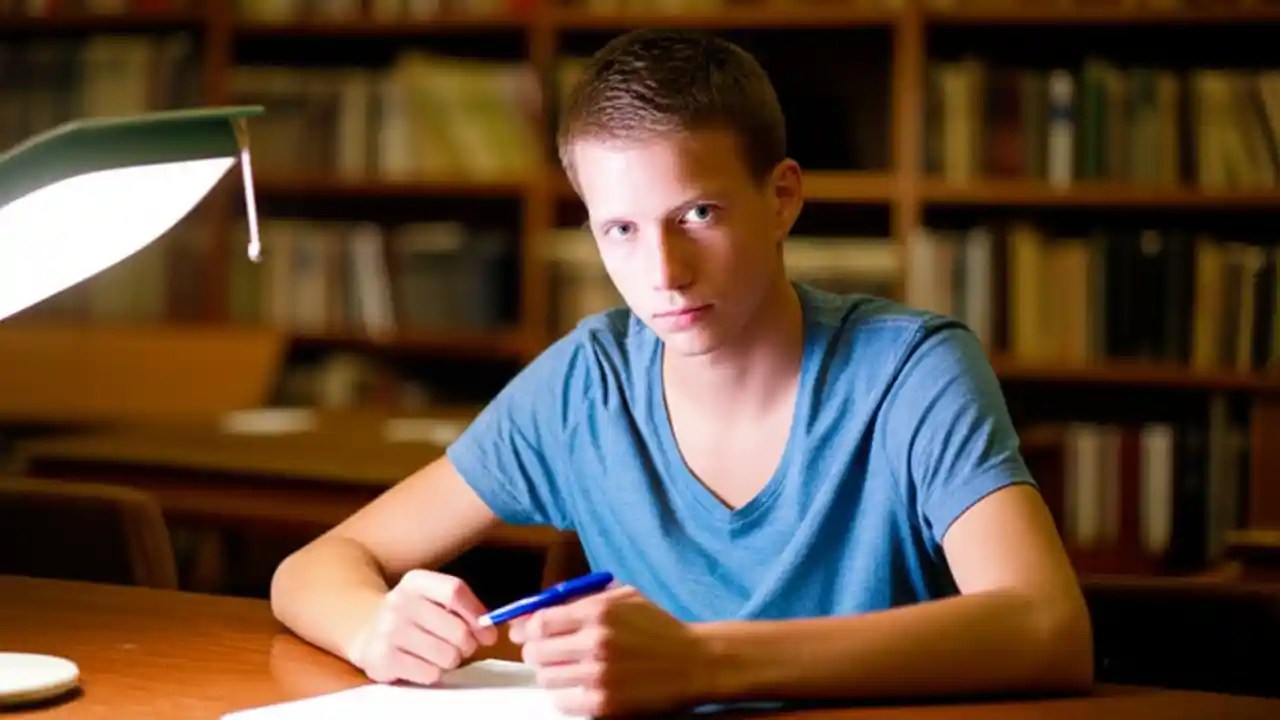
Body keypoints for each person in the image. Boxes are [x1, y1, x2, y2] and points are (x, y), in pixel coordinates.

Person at [270, 28, 1093, 718]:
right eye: (619, 228)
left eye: (697, 214)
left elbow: (1049, 629)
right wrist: (372, 626)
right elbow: (313, 567)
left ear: (782, 197)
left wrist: (703, 662)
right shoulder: (586, 387)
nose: (662, 272)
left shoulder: (912, 372)